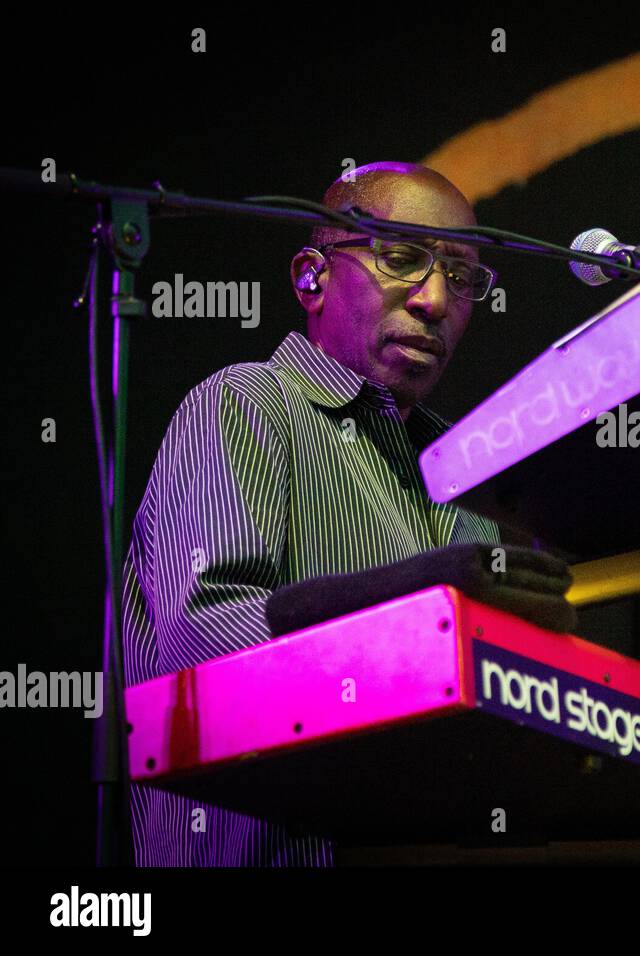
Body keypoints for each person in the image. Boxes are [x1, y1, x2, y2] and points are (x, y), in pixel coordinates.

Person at [122, 161, 576, 866]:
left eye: (463, 279)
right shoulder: (246, 404)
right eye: (401, 258)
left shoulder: (472, 481)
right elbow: (206, 643)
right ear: (312, 277)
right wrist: (413, 636)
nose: (433, 299)